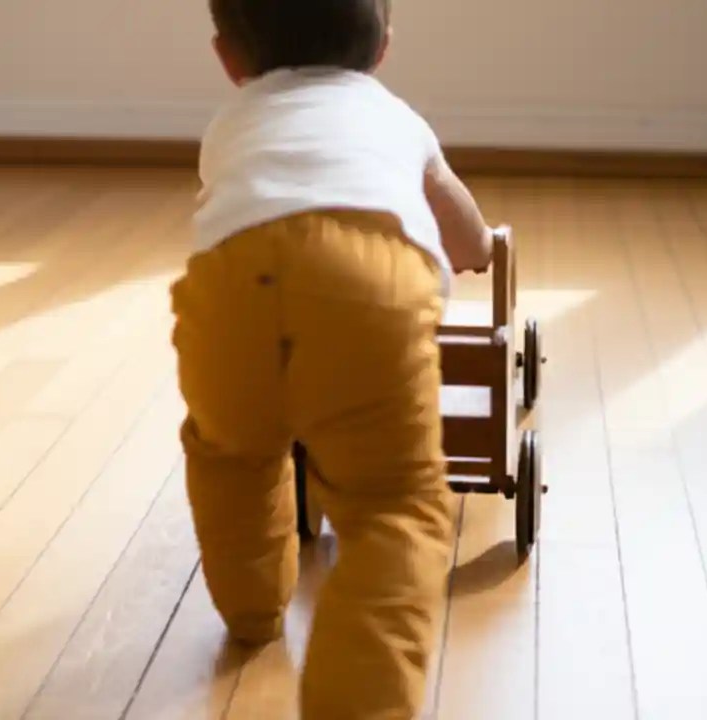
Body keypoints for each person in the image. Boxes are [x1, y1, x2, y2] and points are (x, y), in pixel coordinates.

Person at [171, 1, 493, 716]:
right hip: (365, 285)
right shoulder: (396, 118)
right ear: (382, 47)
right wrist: (476, 252)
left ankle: (253, 611)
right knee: (391, 508)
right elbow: (460, 225)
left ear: (228, 58)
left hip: (227, 289)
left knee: (231, 453)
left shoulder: (228, 126)